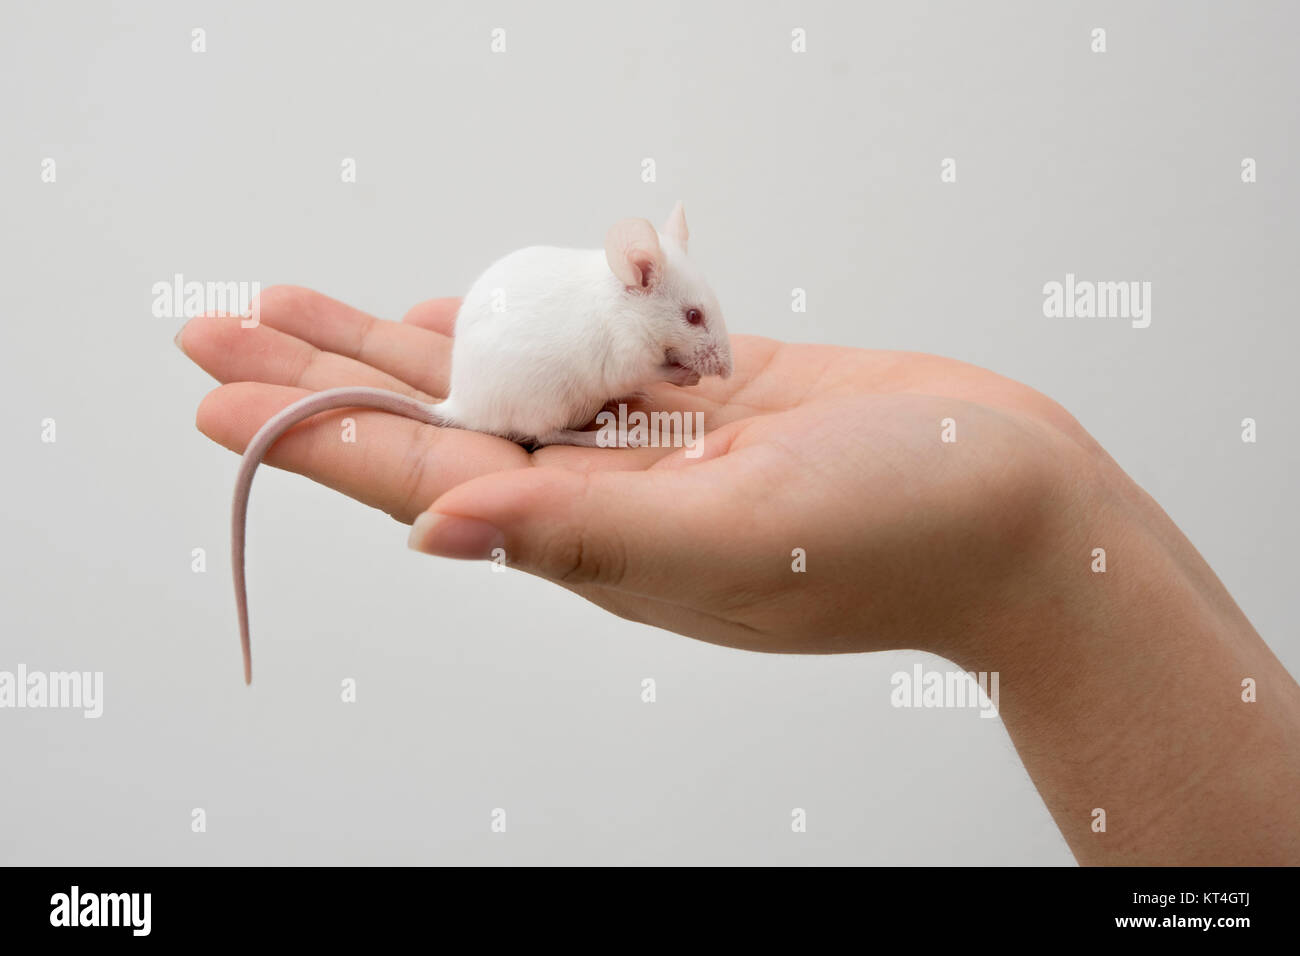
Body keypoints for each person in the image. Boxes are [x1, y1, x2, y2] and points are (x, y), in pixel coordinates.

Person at [176, 286, 1300, 865]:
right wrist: (1046, 537)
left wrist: (1040, 526)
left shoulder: (632, 322)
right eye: (694, 322)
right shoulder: (613, 319)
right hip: (516, 394)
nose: (710, 346)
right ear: (641, 283)